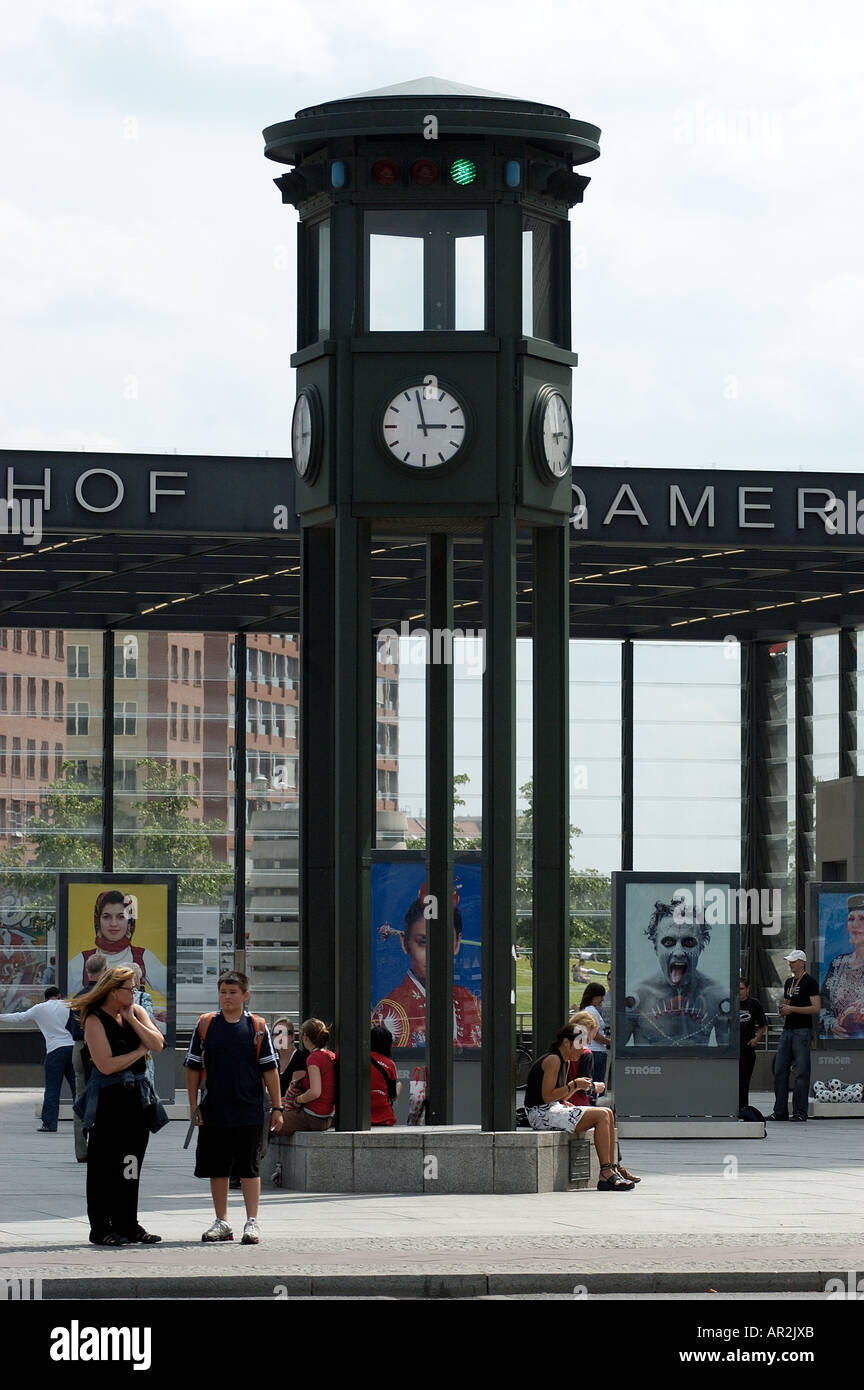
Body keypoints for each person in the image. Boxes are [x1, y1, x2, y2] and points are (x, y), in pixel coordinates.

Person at [185, 970, 282, 1244]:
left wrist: (277, 1107)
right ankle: (222, 1221)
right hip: (214, 1107)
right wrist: (194, 1106)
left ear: (245, 995)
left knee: (249, 1167)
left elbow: (270, 1070)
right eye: (223, 992)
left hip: (249, 1108)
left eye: (233, 992)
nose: (227, 997)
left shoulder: (257, 1026)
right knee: (218, 1168)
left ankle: (252, 1222)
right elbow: (192, 1067)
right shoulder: (205, 1025)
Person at [72, 964, 165, 1245]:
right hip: (108, 1101)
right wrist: (138, 1051)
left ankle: (128, 1223)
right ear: (114, 991)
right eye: (130, 988)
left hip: (137, 1100)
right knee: (104, 1166)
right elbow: (106, 1064)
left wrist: (134, 1021)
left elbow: (158, 1043)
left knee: (131, 1163)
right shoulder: (94, 1019)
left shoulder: (136, 1011)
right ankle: (101, 1227)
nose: (135, 992)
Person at [522, 1021, 635, 1191]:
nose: (583, 1050)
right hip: (540, 1113)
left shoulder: (565, 1061)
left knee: (607, 1112)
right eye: (580, 1044)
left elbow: (560, 1096)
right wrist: (574, 1085)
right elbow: (547, 1096)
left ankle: (612, 1168)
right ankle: (606, 1172)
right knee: (601, 1115)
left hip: (553, 1108)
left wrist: (578, 1088)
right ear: (566, 1043)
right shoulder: (553, 1060)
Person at [372, 899, 482, 1048]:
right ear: (405, 943)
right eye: (423, 943)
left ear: (457, 943)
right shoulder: (390, 1011)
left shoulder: (472, 1003)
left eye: (443, 942)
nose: (434, 954)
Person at [628, 897, 731, 1047]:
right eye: (668, 942)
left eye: (688, 942)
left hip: (698, 1069)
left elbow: (726, 1053)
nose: (679, 952)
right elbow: (616, 1048)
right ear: (656, 947)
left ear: (701, 947)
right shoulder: (637, 996)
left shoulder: (717, 995)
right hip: (650, 1069)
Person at [567, 1009, 641, 1184]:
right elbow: (584, 1087)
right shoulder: (585, 1054)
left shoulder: (566, 1051)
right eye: (593, 1033)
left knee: (606, 1114)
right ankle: (612, 1166)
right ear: (586, 1030)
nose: (594, 1038)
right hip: (576, 1103)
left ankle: (614, 1166)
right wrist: (596, 1087)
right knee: (606, 1115)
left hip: (567, 1101)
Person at [0, 985, 76, 1132]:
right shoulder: (69, 1005)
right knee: (77, 1088)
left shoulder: (40, 1008)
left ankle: (49, 1124)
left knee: (52, 1089)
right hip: (72, 1049)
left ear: (45, 998)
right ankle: (85, 1120)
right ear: (59, 995)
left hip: (54, 1050)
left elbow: (19, 1017)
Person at [68, 889, 167, 1001]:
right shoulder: (82, 960)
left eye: (121, 917)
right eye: (106, 917)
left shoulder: (144, 957)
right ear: (98, 920)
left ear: (129, 922)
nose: (113, 924)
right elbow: (58, 999)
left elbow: (172, 991)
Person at [770, 950, 820, 1123]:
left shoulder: (810, 982)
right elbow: (788, 1003)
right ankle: (780, 1111)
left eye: (793, 961)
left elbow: (815, 1008)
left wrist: (792, 1010)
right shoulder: (789, 981)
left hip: (802, 1031)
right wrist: (783, 1010)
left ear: (802, 963)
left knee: (802, 1072)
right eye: (789, 961)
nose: (790, 964)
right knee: (779, 1070)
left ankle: (800, 1111)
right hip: (788, 1030)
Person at [68, 951, 107, 1160]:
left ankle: (81, 1151)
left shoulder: (78, 997)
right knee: (104, 1096)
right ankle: (101, 1147)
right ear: (105, 971)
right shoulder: (104, 997)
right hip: (99, 1048)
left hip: (78, 1048)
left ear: (87, 971)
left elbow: (70, 1027)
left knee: (80, 1097)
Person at [281, 1018, 336, 1134]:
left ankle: (259, 1151)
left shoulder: (313, 1058)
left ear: (305, 1037)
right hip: (327, 1116)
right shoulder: (330, 1055)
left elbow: (315, 1091)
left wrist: (297, 1100)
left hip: (313, 1116)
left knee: (270, 1122)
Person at [820, 894, 864, 1038]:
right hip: (840, 1049)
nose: (855, 925)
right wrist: (831, 1024)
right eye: (851, 919)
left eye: (862, 919)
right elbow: (822, 1003)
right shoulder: (838, 964)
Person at [738, 976, 767, 1112]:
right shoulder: (730, 1003)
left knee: (744, 1082)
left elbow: (763, 1025)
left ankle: (743, 1109)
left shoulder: (754, 1004)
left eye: (741, 989)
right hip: (733, 1050)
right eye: (737, 989)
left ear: (747, 989)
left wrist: (756, 1039)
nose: (739, 992)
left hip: (747, 1049)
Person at [578, 982, 611, 1086]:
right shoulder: (592, 1011)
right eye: (601, 997)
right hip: (597, 1052)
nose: (602, 1000)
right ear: (596, 996)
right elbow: (595, 1035)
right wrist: (610, 1042)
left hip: (591, 1050)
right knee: (598, 1084)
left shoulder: (585, 1010)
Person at [370, 1024, 402, 1126]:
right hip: (384, 1118)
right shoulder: (390, 1064)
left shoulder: (360, 1061)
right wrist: (399, 1087)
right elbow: (392, 1097)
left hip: (361, 1118)